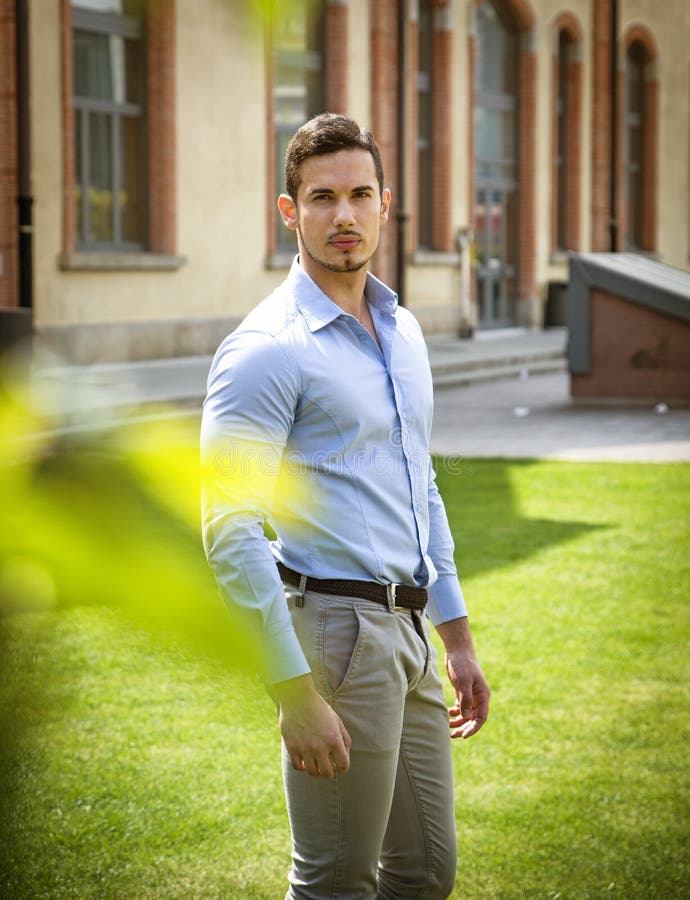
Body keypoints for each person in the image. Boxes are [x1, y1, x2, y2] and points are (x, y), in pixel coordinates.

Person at [201, 113, 490, 900]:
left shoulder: (403, 331)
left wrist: (455, 634)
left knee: (426, 872)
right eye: (322, 198)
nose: (344, 216)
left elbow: (418, 482)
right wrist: (293, 693)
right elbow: (230, 528)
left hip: (411, 633)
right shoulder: (268, 348)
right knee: (335, 882)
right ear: (290, 212)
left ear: (385, 204)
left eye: (361, 194)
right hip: (332, 639)